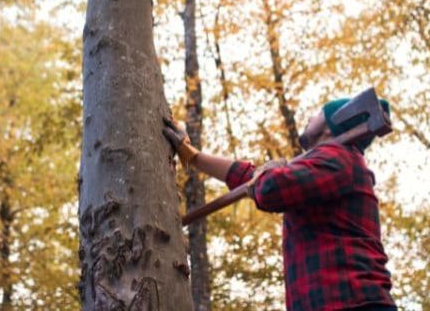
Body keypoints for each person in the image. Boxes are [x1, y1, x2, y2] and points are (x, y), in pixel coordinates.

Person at [163, 98, 397, 311]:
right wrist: (192, 155)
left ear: (330, 126)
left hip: (352, 303)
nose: (309, 117)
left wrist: (268, 174)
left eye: (318, 113)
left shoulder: (339, 157)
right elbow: (253, 180)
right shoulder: (327, 164)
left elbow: (269, 189)